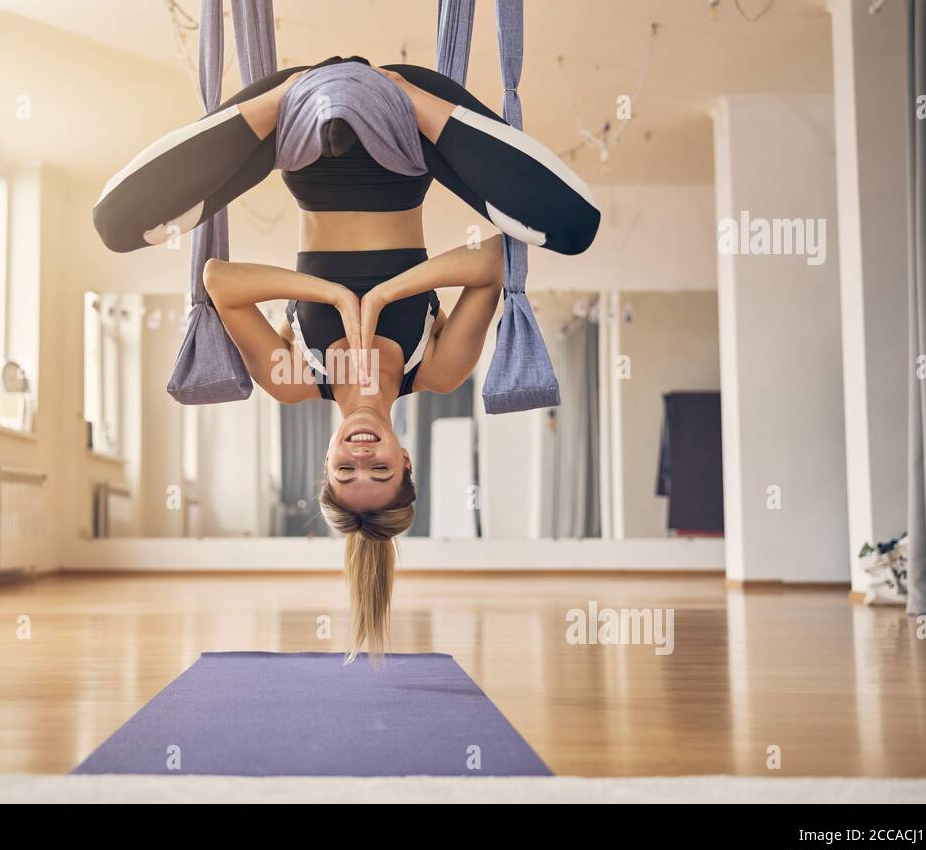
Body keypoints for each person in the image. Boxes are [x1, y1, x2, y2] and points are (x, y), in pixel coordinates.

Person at [94, 56, 599, 663]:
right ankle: (406, 96)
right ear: (404, 457)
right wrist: (388, 292)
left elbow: (219, 280)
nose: (363, 458)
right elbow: (495, 262)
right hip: (409, 134)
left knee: (116, 224)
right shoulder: (435, 370)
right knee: (573, 226)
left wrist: (332, 293)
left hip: (301, 130)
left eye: (346, 472)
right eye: (380, 472)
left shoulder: (293, 379)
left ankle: (275, 97)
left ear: (326, 461)